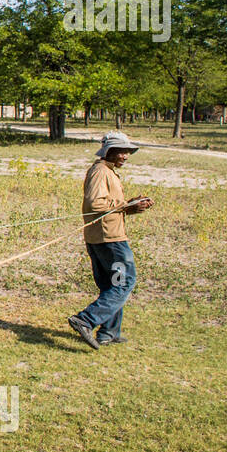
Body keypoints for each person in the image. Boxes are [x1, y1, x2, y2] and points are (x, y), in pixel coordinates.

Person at [67, 132, 153, 350]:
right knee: (124, 282)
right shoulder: (100, 171)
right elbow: (95, 204)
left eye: (127, 152)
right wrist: (125, 205)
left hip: (103, 237)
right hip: (109, 240)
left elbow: (108, 206)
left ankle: (109, 333)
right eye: (121, 151)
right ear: (109, 151)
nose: (125, 156)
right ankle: (85, 320)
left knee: (111, 285)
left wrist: (132, 205)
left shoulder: (108, 172)